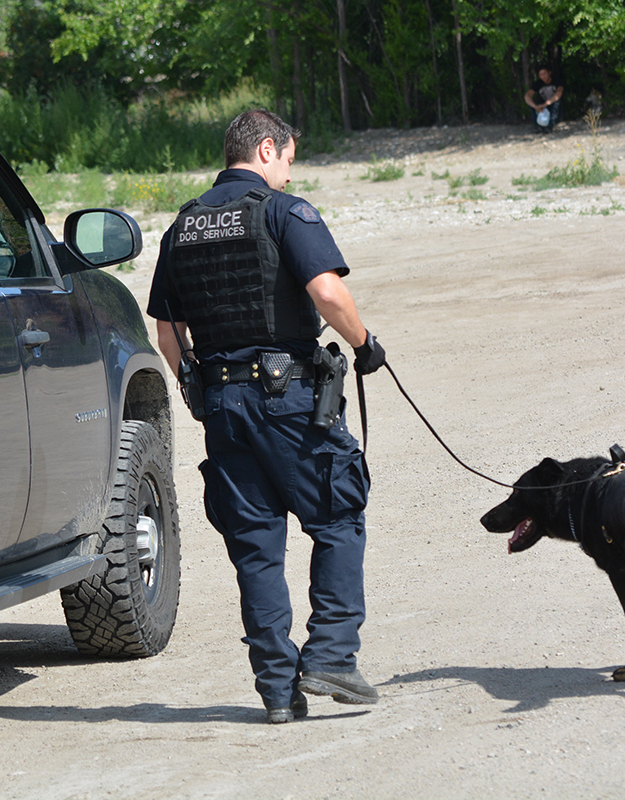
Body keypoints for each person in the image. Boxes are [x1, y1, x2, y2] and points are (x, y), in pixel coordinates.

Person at [146, 109, 387, 724]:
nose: (286, 174)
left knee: (255, 547)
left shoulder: (182, 228)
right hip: (287, 400)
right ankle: (332, 653)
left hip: (222, 405)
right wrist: (364, 345)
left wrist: (196, 386)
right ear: (266, 148)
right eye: (286, 161)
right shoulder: (283, 212)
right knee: (337, 515)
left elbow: (167, 331)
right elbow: (328, 292)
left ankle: (278, 690)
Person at [525, 67, 563, 132]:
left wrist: (546, 104)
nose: (543, 76)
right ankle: (537, 126)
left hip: (551, 103)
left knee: (557, 103)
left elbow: (558, 94)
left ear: (549, 73)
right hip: (541, 104)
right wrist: (535, 106)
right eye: (541, 74)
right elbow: (528, 95)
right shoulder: (537, 84)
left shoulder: (557, 81)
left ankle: (550, 126)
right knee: (533, 103)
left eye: (544, 73)